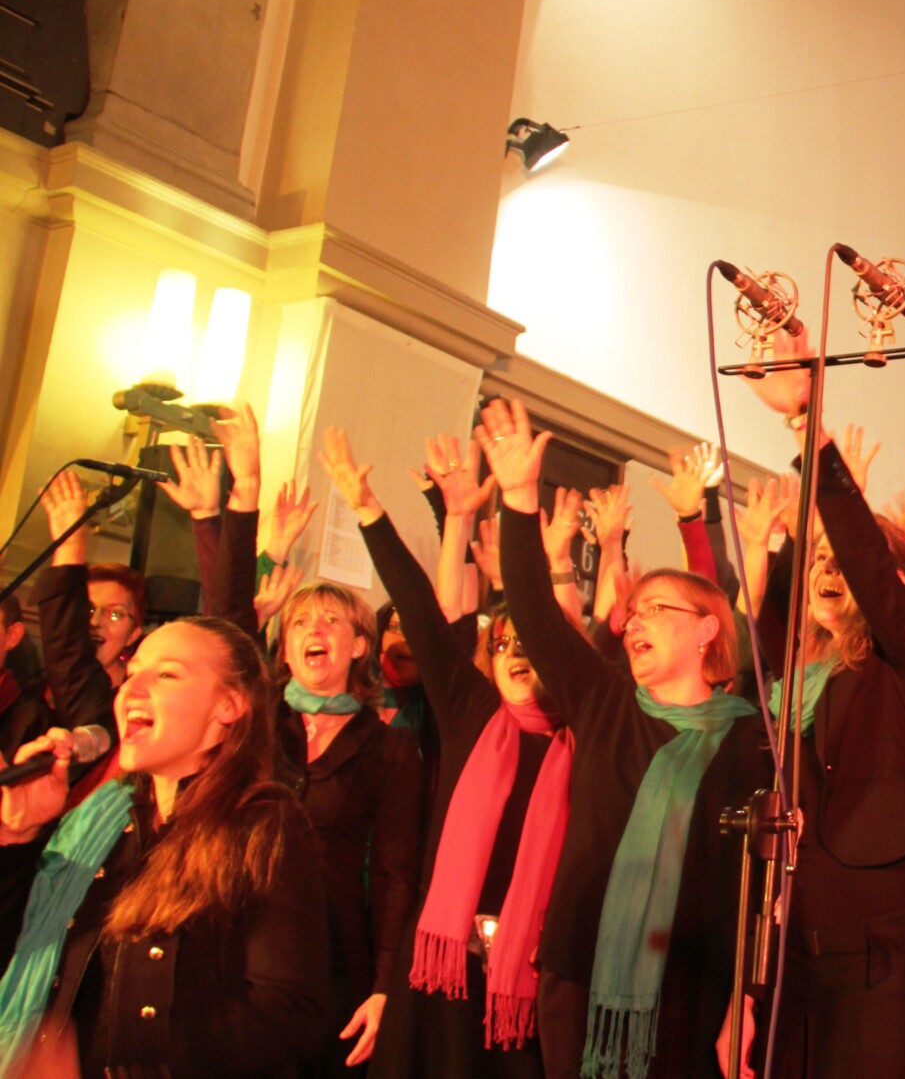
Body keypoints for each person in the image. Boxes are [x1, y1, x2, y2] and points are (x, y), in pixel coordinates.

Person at [476, 398, 771, 1079]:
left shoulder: (751, 739)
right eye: (630, 612)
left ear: (705, 630)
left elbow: (748, 889)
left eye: (655, 610)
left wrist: (742, 1000)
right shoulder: (605, 700)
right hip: (581, 967)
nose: (633, 622)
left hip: (690, 982)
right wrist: (519, 500)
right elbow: (533, 610)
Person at [738, 341, 905, 1079]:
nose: (829, 569)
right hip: (796, 936)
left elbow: (870, 567)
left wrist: (811, 422)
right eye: (818, 562)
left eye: (845, 561)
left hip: (884, 944)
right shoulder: (802, 676)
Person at [182, 404, 423, 1077]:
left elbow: (400, 873)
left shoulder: (390, 747)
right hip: (231, 933)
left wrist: (384, 985)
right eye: (299, 622)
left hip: (332, 956)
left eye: (329, 619)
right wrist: (244, 493)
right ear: (284, 647)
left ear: (357, 645)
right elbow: (225, 623)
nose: (312, 629)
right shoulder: (259, 720)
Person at [322, 427, 567, 1079]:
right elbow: (422, 614)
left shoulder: (589, 739)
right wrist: (367, 505)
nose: (516, 653)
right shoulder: (474, 713)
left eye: (531, 643)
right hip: (435, 965)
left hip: (523, 976)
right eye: (507, 642)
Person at [0, 615, 331, 1077]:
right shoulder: (103, 819)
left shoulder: (261, 821)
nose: (131, 689)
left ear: (229, 705)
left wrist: (132, 1060)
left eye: (167, 674)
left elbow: (293, 1010)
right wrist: (17, 835)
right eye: (132, 671)